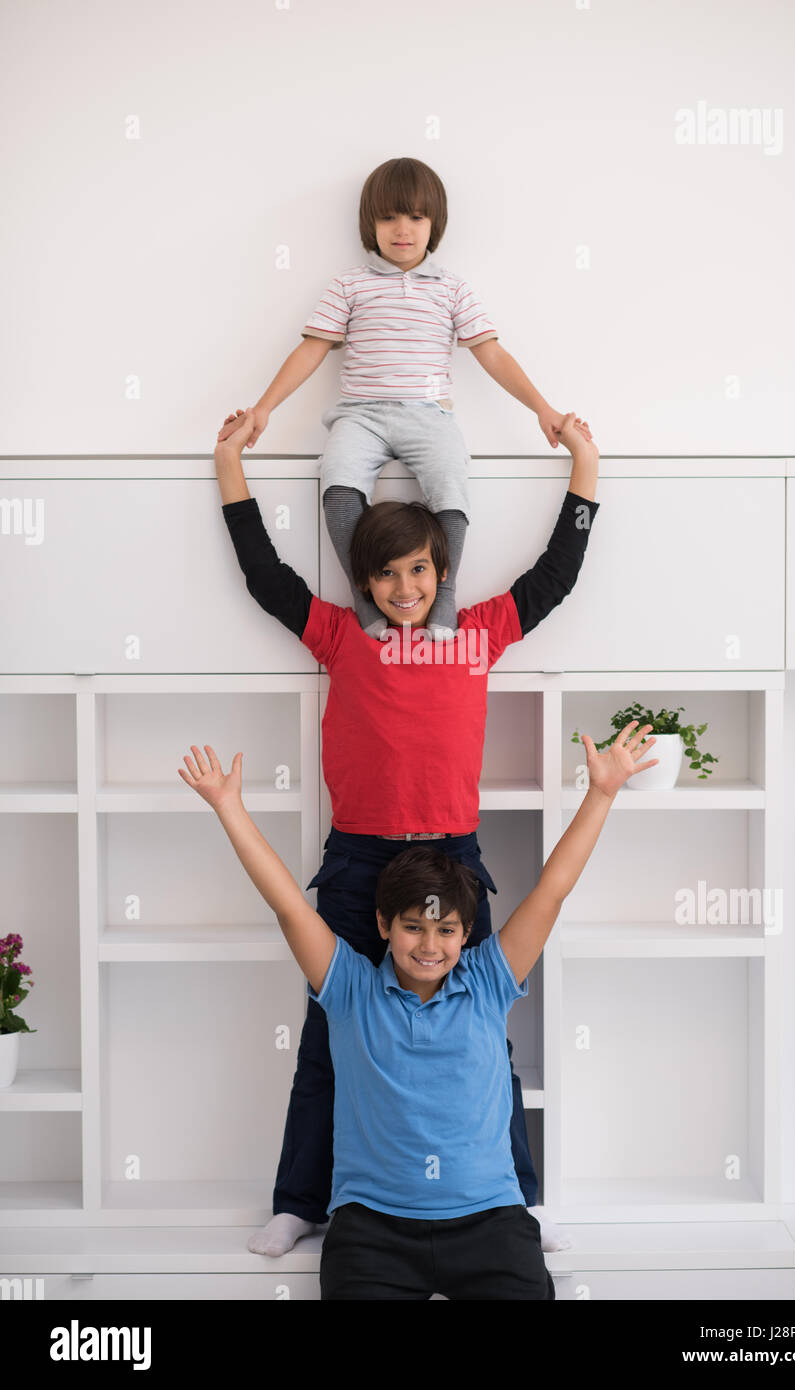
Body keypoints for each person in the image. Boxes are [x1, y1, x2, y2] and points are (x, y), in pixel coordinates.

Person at [214, 407, 601, 1255]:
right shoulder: (339, 635)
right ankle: (298, 1199)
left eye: (418, 572)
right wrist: (229, 468)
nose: (403, 589)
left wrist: (584, 468)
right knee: (330, 1033)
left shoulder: (478, 633)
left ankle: (515, 1200)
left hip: (452, 854)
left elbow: (556, 575)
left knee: (480, 1036)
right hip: (359, 857)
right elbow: (264, 576)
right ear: (364, 581)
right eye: (384, 575)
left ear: (441, 571)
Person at [177, 719, 659, 1298]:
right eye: (412, 928)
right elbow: (287, 905)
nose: (429, 946)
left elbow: (551, 891)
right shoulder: (349, 988)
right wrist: (228, 806)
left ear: (465, 933)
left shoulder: (487, 981)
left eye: (445, 930)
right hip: (373, 1233)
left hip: (491, 1224)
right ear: (383, 926)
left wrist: (602, 793)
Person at [216, 155, 579, 637]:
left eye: (415, 216)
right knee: (338, 484)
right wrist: (263, 409)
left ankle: (443, 597)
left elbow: (491, 355)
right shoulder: (349, 285)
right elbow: (312, 349)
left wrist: (543, 409)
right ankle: (366, 597)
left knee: (451, 480)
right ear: (370, 223)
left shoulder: (452, 290)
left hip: (429, 416)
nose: (401, 229)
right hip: (360, 417)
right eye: (388, 217)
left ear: (435, 223)